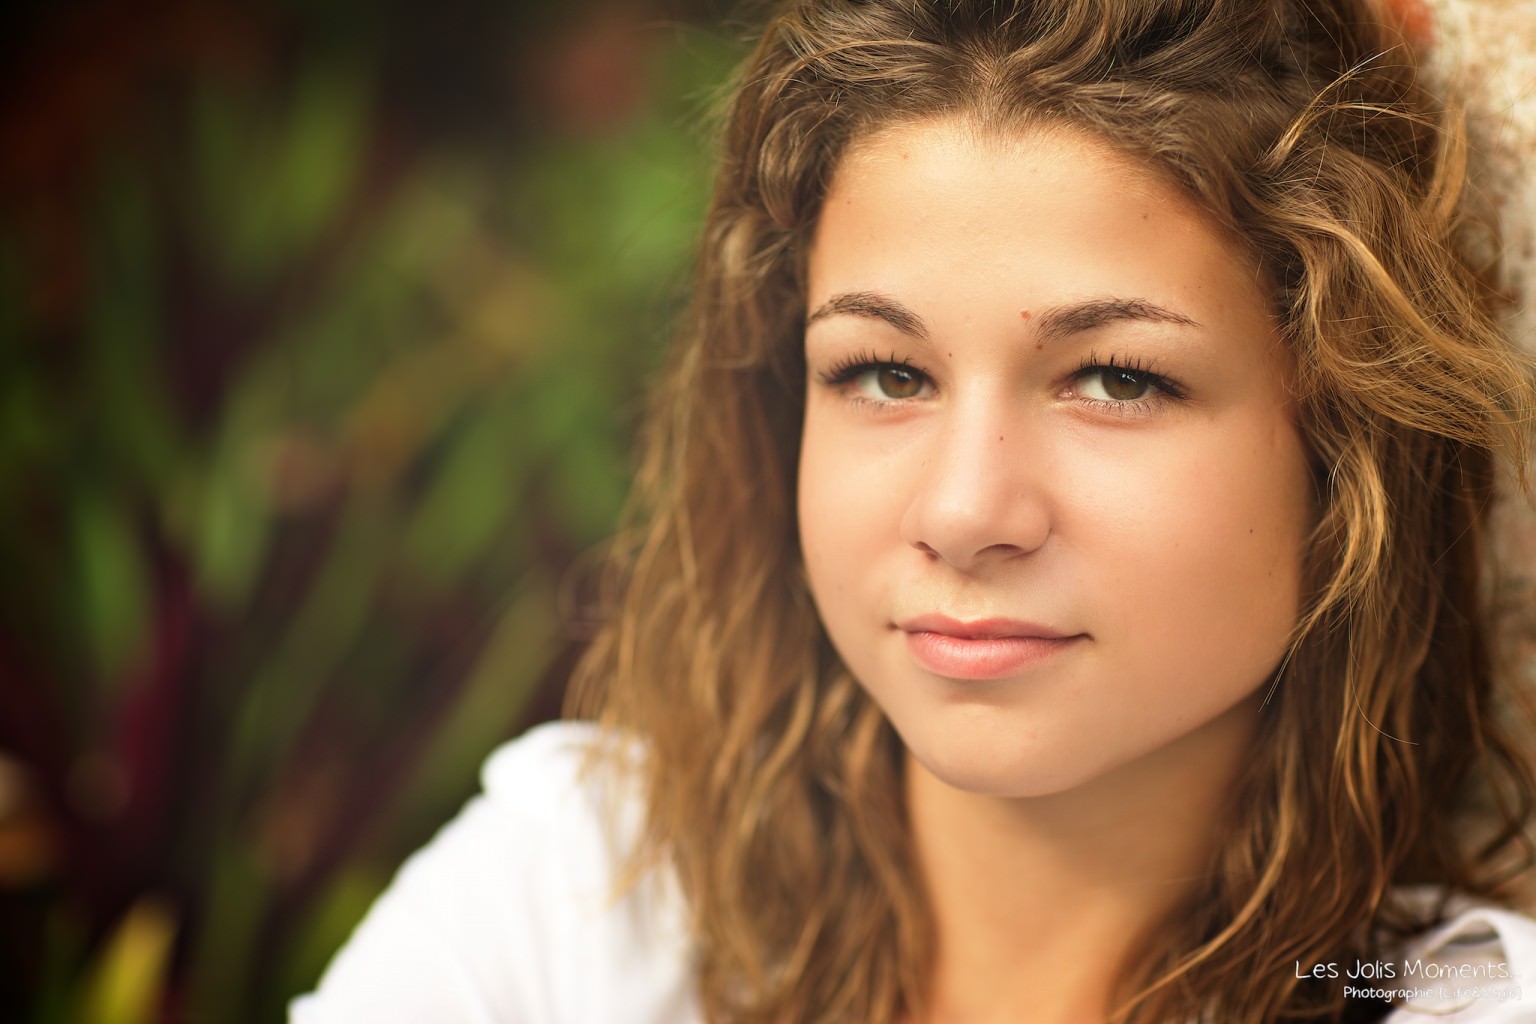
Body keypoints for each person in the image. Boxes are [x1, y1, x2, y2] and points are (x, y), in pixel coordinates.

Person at [288, 0, 1536, 1021]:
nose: (962, 510)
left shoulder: (1442, 998)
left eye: (1116, 377)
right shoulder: (584, 889)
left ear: (1348, 440)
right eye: (885, 373)